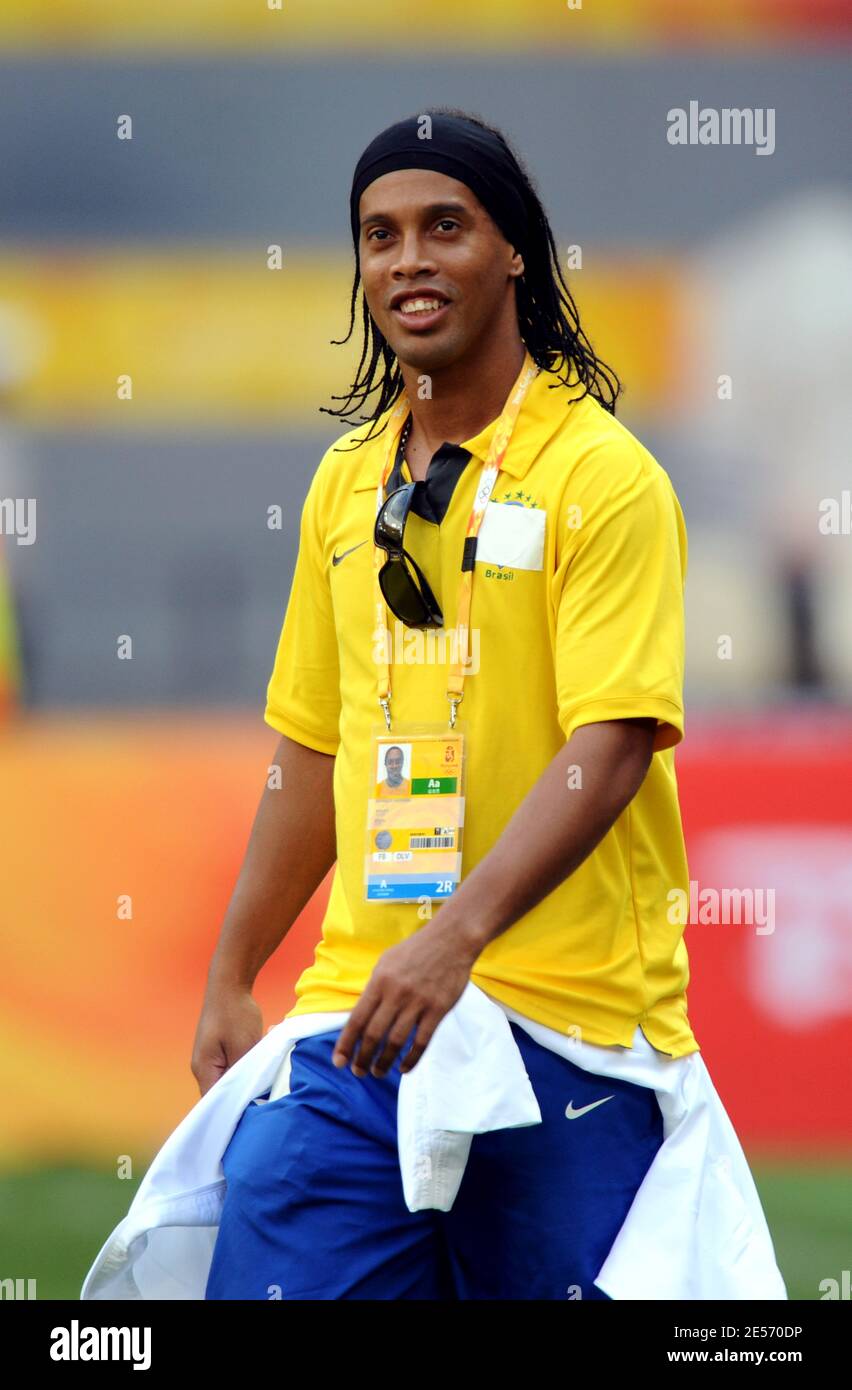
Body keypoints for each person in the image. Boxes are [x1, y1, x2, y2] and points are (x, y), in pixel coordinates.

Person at [81, 108, 786, 1303]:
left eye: (444, 227)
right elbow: (308, 747)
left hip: (568, 1033)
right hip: (360, 1018)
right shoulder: (346, 479)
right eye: (379, 235)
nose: (407, 259)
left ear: (513, 251)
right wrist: (232, 968)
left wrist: (456, 939)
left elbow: (610, 747)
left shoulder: (602, 477)